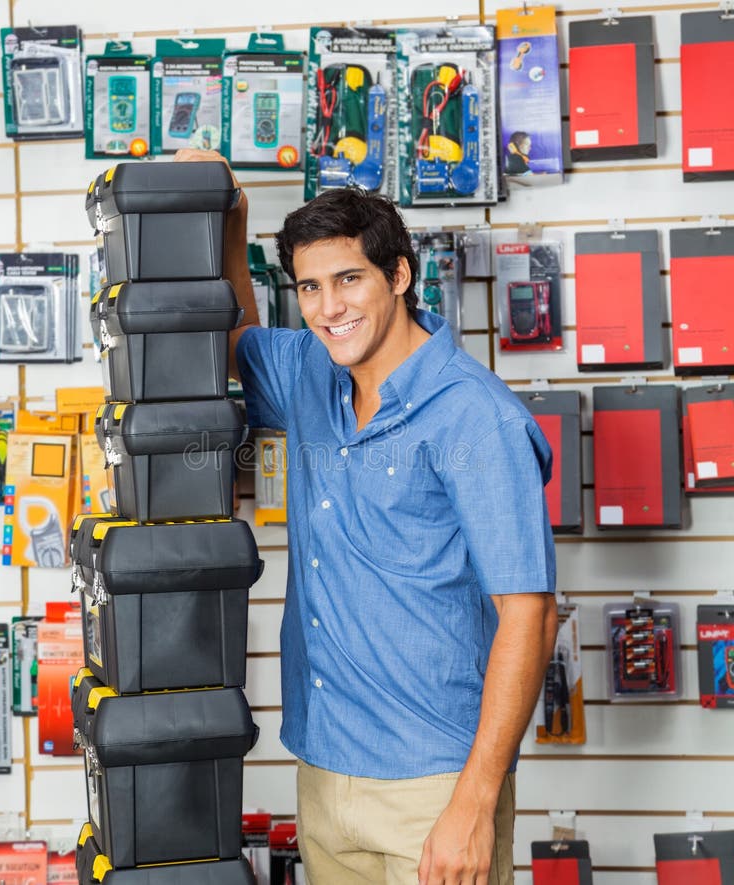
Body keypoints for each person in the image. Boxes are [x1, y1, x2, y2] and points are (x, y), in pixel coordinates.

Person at [178, 150, 558, 885]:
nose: (330, 308)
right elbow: (234, 338)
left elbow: (530, 615)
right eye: (310, 287)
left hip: (435, 786)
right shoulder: (310, 373)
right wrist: (235, 219)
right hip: (324, 773)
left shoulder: (477, 419)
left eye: (349, 279)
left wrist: (474, 803)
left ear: (400, 275)